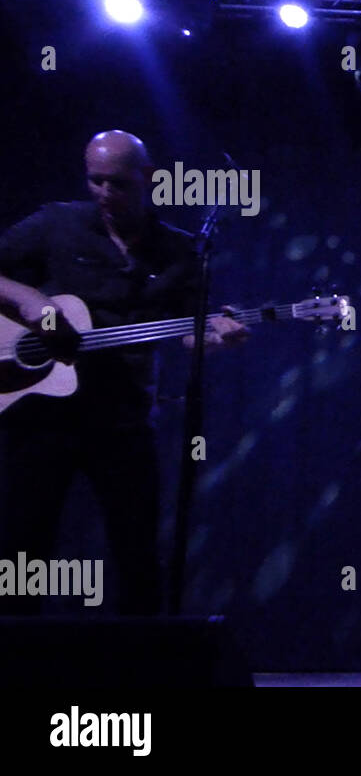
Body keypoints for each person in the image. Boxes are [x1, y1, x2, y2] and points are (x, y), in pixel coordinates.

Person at [0, 130, 247, 615]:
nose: (105, 193)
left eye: (117, 183)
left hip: (122, 419)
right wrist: (37, 308)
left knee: (137, 553)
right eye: (96, 181)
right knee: (21, 549)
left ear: (148, 179)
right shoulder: (56, 224)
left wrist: (216, 336)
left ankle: (140, 673)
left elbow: (189, 330)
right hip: (38, 416)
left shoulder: (178, 252)